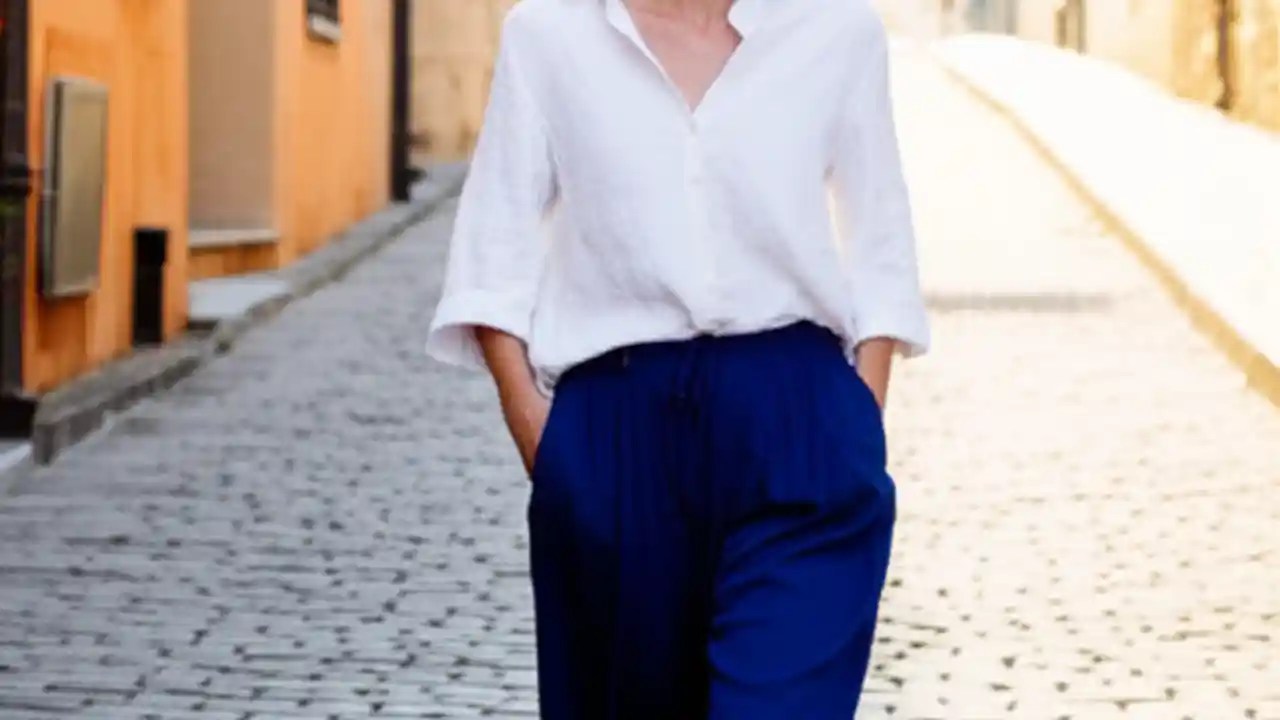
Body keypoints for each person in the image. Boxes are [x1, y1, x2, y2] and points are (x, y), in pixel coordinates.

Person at [425, 0, 929, 716]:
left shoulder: (836, 30)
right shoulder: (548, 35)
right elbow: (490, 254)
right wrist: (551, 446)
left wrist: (856, 418)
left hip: (799, 424)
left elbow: (881, 246)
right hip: (617, 431)